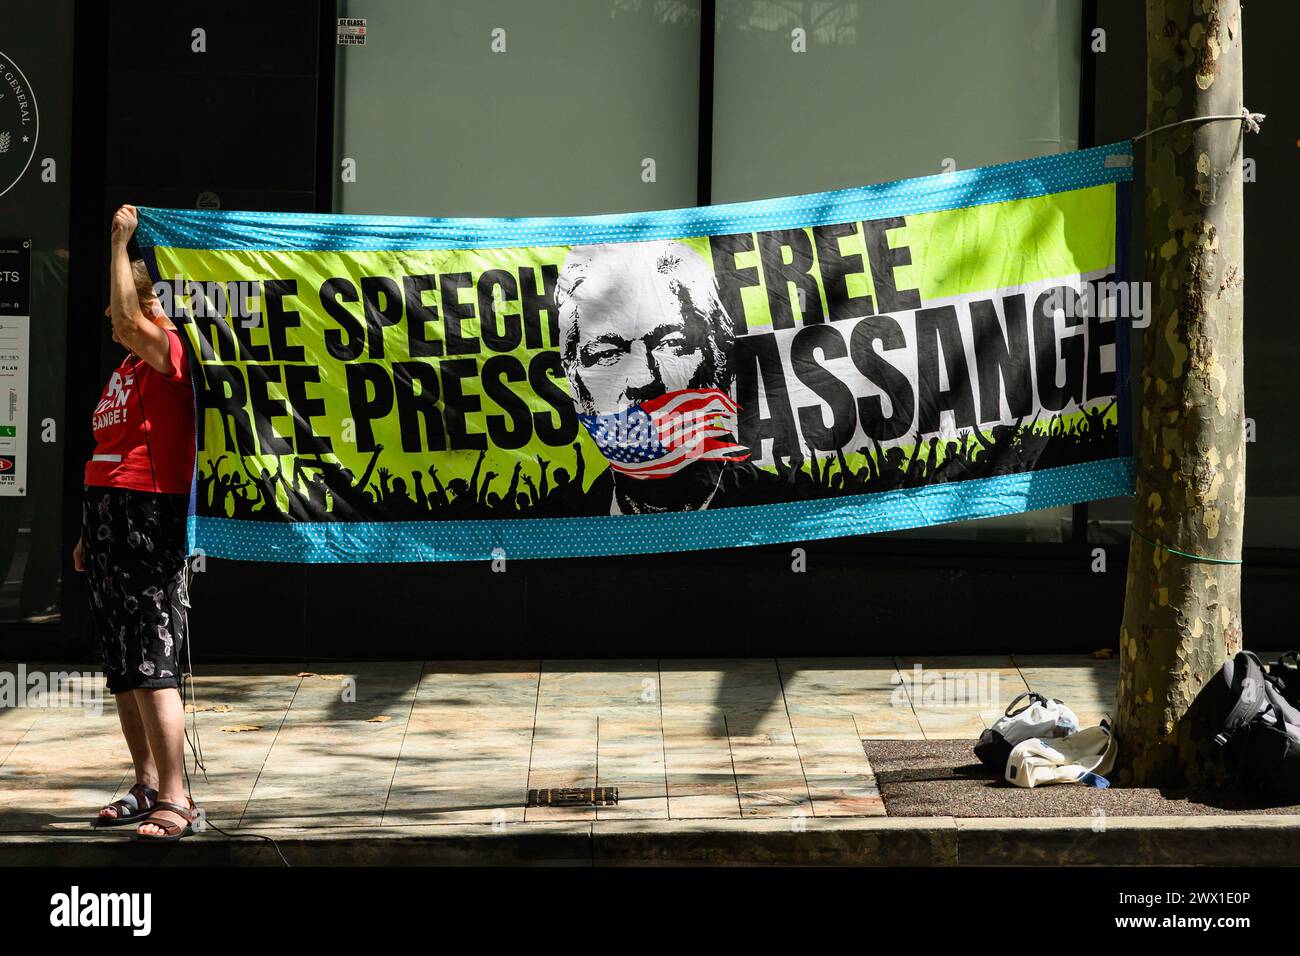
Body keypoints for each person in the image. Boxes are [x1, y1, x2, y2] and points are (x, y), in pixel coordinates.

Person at [74, 204, 199, 842]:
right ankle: (145, 782)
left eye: (118, 297)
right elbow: (111, 445)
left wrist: (120, 240)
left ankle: (177, 797)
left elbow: (125, 319)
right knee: (122, 664)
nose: (108, 314)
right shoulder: (127, 367)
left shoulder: (165, 348)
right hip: (109, 516)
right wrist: (86, 533)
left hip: (150, 511)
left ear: (146, 301)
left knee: (153, 660)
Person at [554, 240, 747, 514]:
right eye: (607, 353)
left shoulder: (787, 509)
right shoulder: (565, 524)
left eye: (671, 344)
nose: (643, 379)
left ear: (720, 359)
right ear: (575, 382)